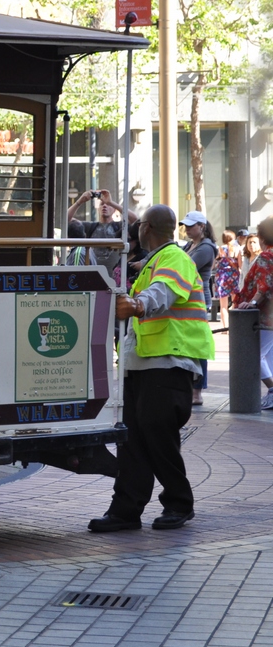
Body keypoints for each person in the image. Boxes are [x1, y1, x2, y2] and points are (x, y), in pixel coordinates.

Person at [90, 204, 214, 533]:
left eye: (138, 225)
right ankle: (126, 509)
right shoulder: (154, 262)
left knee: (157, 434)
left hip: (167, 362)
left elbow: (162, 294)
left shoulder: (173, 259)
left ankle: (178, 503)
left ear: (146, 227)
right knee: (132, 438)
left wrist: (137, 304)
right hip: (144, 363)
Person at [233, 218, 273, 410]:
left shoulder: (266, 257)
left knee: (256, 355)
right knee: (268, 355)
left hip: (267, 316)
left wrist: (253, 302)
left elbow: (264, 285)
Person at [180, 211, 216, 405]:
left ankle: (197, 392)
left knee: (199, 346)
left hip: (200, 301)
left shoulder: (206, 248)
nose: (186, 229)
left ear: (201, 226)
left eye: (190, 225)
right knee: (191, 344)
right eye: (185, 225)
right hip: (189, 299)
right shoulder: (189, 245)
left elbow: (186, 268)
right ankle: (192, 388)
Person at [67, 188, 137, 280]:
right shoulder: (90, 227)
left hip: (115, 278)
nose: (105, 206)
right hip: (94, 279)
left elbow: (135, 220)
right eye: (102, 204)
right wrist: (79, 202)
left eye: (107, 205)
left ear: (114, 210)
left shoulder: (120, 226)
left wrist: (111, 202)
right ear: (98, 208)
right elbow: (66, 220)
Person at [214, 229, 242, 331]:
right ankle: (235, 326)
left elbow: (214, 264)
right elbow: (240, 265)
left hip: (222, 276)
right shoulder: (237, 249)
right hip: (234, 276)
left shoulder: (220, 249)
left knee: (223, 305)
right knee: (235, 302)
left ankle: (225, 327)